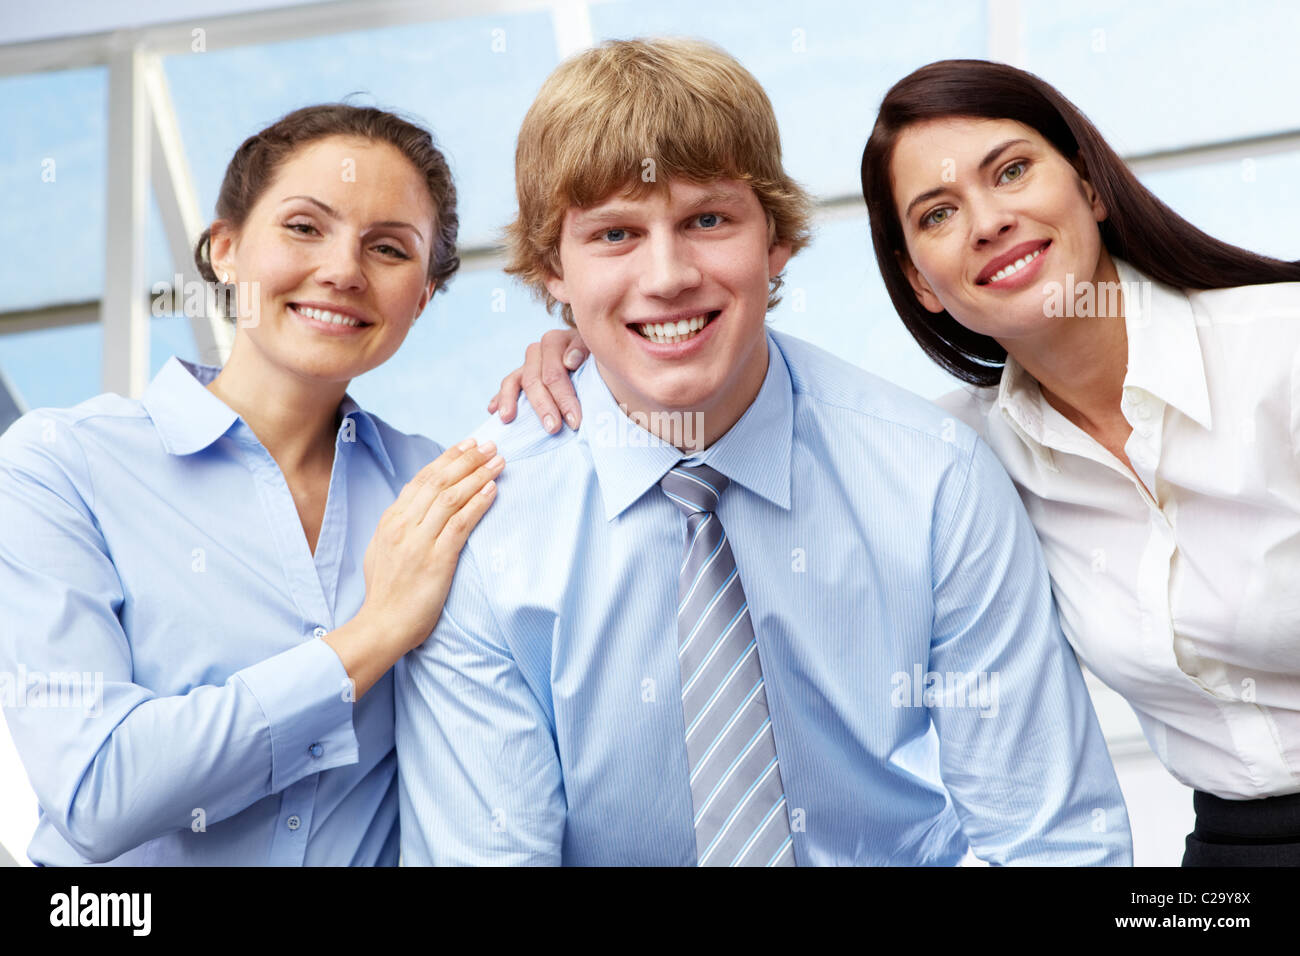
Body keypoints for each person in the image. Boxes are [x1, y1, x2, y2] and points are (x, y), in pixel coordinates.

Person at [501, 58, 1300, 866]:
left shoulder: (1281, 350)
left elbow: (1048, 836)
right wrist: (599, 355)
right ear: (918, 280)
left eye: (1013, 171)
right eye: (938, 213)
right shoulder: (968, 458)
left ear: (1092, 185)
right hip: (1239, 852)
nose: (987, 223)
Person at [399, 38, 1131, 866]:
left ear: (776, 240)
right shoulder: (476, 523)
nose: (668, 275)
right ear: (550, 269)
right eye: (614, 235)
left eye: (707, 220)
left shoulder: (937, 477)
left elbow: (1051, 841)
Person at [0, 104, 505, 865]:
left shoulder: (444, 490)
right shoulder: (61, 465)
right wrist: (370, 639)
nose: (342, 270)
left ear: (424, 297)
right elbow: (99, 793)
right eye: (305, 227)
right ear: (226, 249)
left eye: (390, 249)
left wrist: (582, 355)